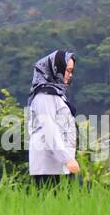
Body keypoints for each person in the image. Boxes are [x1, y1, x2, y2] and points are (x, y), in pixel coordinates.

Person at [27, 49, 79, 187]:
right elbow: (50, 131)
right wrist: (68, 159)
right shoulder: (44, 97)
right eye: (67, 70)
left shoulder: (57, 95)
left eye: (71, 71)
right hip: (48, 168)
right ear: (56, 69)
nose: (70, 75)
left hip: (59, 166)